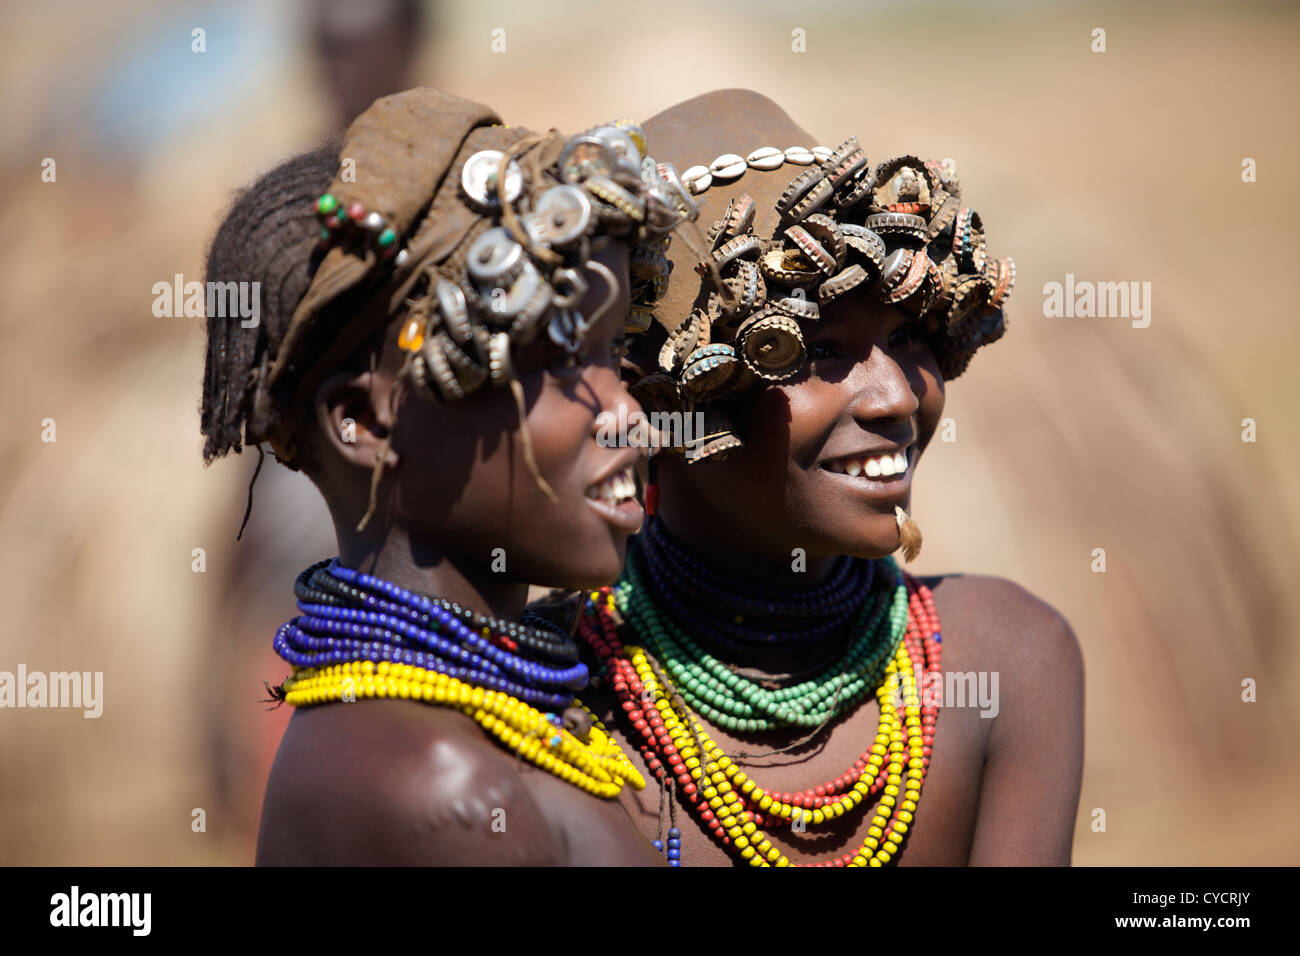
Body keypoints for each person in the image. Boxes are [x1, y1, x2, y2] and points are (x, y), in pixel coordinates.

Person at [572, 89, 1085, 867]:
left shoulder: (1009, 657)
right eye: (812, 352)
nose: (897, 396)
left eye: (908, 335)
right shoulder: (558, 692)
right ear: (661, 403)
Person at [198, 87, 698, 864]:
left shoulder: (494, 729)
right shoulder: (444, 787)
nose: (629, 414)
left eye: (615, 359)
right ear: (365, 422)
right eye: (560, 364)